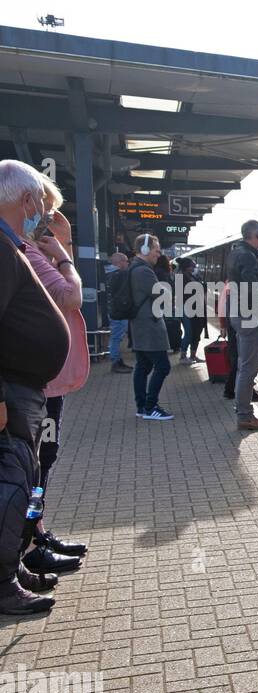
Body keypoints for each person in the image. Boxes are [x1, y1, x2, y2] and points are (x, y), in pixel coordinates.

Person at [0, 159, 70, 614]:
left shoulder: (9, 245)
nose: (42, 217)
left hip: (20, 387)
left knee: (19, 481)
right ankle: (3, 585)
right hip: (10, 391)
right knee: (10, 485)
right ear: (26, 200)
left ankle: (12, 566)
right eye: (42, 207)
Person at [20, 178, 88, 576]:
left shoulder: (28, 249)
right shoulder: (25, 251)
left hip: (46, 380)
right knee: (35, 461)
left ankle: (36, 530)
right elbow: (70, 295)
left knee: (42, 459)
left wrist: (63, 247)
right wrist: (64, 256)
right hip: (38, 381)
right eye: (44, 211)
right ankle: (27, 543)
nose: (46, 219)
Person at [225, 220, 258, 430]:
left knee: (244, 366)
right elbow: (251, 288)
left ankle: (243, 412)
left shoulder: (236, 253)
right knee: (248, 369)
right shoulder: (247, 256)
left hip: (240, 315)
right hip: (250, 318)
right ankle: (245, 415)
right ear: (256, 235)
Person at [128, 234, 173, 421]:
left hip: (140, 325)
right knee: (163, 366)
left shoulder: (135, 268)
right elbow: (160, 294)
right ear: (145, 249)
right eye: (156, 249)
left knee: (143, 366)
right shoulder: (143, 271)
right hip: (149, 326)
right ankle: (150, 407)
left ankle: (142, 406)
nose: (159, 253)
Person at [175, 257, 207, 364]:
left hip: (196, 308)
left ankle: (193, 356)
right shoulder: (180, 277)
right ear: (186, 267)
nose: (194, 268)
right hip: (185, 308)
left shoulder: (192, 276)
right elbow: (185, 294)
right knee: (189, 332)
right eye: (193, 266)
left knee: (196, 331)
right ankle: (183, 356)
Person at [105, 251, 132, 373]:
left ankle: (117, 360)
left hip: (113, 310)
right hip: (118, 312)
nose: (128, 263)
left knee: (116, 336)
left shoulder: (108, 273)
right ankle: (115, 361)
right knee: (116, 337)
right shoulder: (120, 274)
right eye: (126, 261)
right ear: (120, 262)